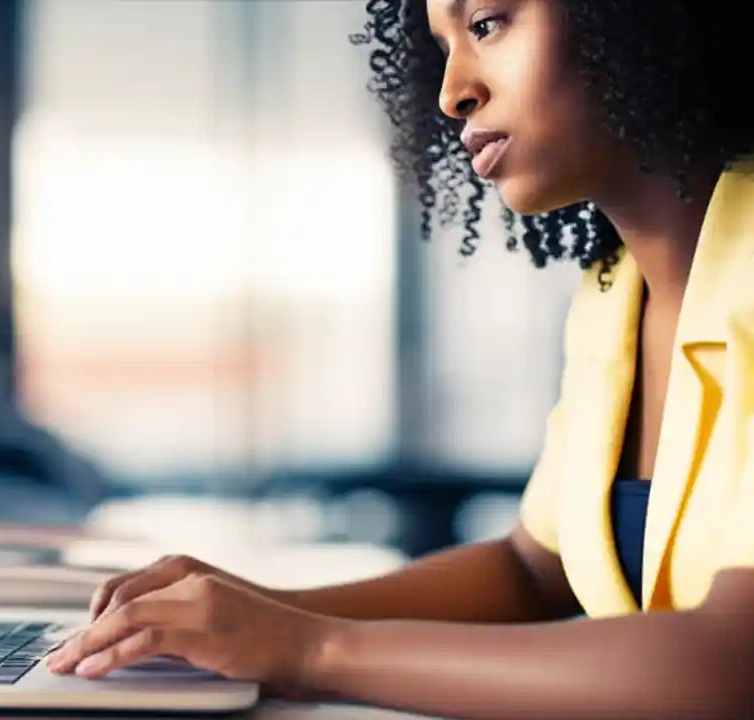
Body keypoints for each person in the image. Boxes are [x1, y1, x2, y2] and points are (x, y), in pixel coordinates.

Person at [46, 1, 754, 717]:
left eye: (486, 24)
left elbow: (733, 660)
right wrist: (252, 611)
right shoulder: (615, 291)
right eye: (443, 47)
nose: (452, 93)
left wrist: (309, 649)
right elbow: (534, 567)